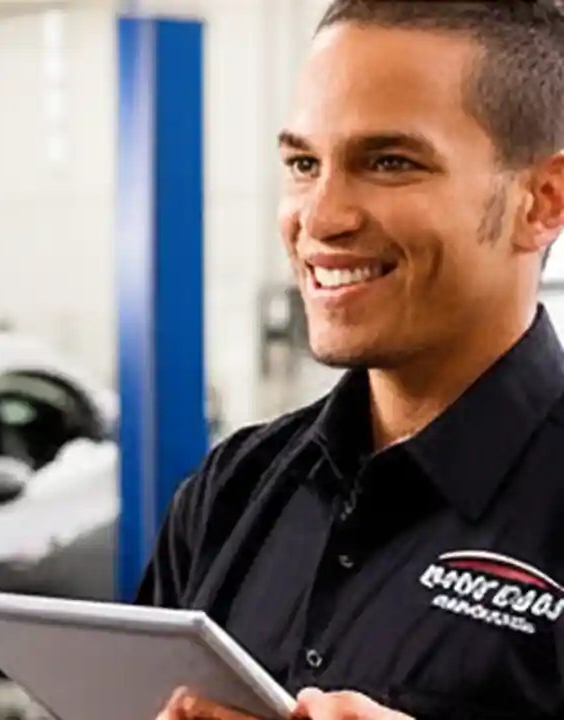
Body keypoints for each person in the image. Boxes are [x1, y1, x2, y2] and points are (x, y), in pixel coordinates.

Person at [139, 2, 564, 718]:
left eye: (389, 163)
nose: (321, 216)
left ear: (541, 201)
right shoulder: (230, 491)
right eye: (304, 164)